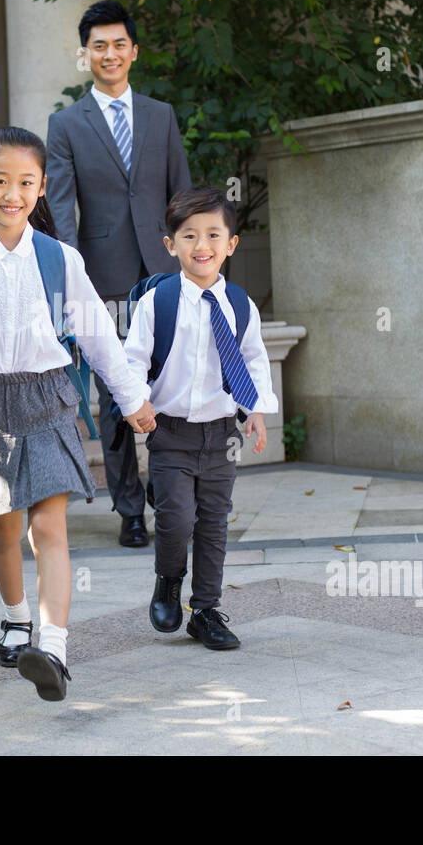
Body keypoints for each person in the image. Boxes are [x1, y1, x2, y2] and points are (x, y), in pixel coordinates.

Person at [0, 126, 156, 701]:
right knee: (3, 534)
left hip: (50, 401)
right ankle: (15, 618)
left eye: (26, 182)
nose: (12, 193)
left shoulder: (60, 260)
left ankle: (52, 647)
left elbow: (99, 335)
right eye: (0, 179)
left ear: (42, 187)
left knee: (49, 529)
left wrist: (131, 398)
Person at [46, 0, 192, 549]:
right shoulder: (65, 124)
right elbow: (61, 209)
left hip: (162, 275)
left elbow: (180, 194)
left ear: (133, 50)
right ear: (86, 55)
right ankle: (130, 507)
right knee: (114, 393)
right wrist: (67, 279)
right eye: (98, 46)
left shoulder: (161, 115)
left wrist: (192, 261)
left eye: (118, 44)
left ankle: (169, 491)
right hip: (100, 282)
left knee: (168, 383)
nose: (109, 54)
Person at [123, 187, 277, 650]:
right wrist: (136, 402)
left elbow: (253, 359)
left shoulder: (240, 305)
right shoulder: (159, 302)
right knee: (176, 519)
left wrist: (256, 412)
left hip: (220, 435)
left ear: (231, 244)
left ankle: (206, 610)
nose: (202, 245)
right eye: (189, 235)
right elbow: (133, 359)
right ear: (171, 245)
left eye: (213, 234)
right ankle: (169, 580)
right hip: (169, 433)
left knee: (214, 523)